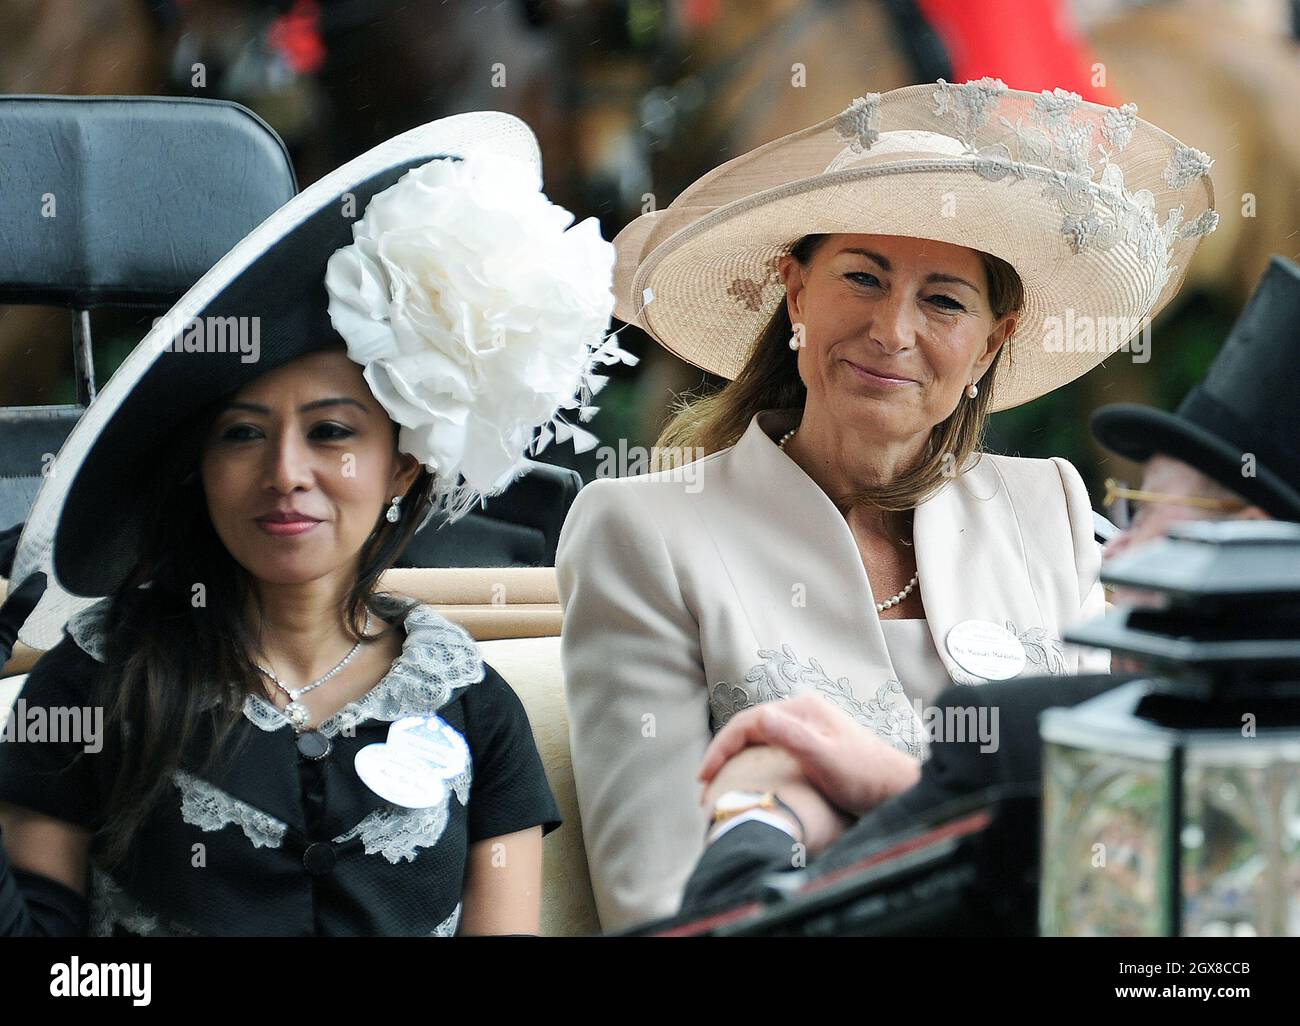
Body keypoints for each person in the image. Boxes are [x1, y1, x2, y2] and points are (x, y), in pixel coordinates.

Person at [555, 77, 1220, 930]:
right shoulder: (642, 531)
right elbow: (661, 906)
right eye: (862, 278)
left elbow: (1121, 842)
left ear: (991, 344)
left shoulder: (1047, 504)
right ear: (795, 291)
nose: (892, 330)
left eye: (943, 299)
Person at [0, 111, 631, 936]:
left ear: (403, 465)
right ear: (199, 468)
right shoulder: (91, 682)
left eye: (331, 432)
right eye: (242, 434)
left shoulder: (473, 704)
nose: (285, 472)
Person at [673, 252, 1299, 923]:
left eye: (1143, 509)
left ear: (1246, 537)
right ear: (795, 293)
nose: (1115, 547)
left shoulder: (1038, 739)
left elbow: (735, 926)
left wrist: (761, 808)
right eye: (862, 278)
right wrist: (908, 788)